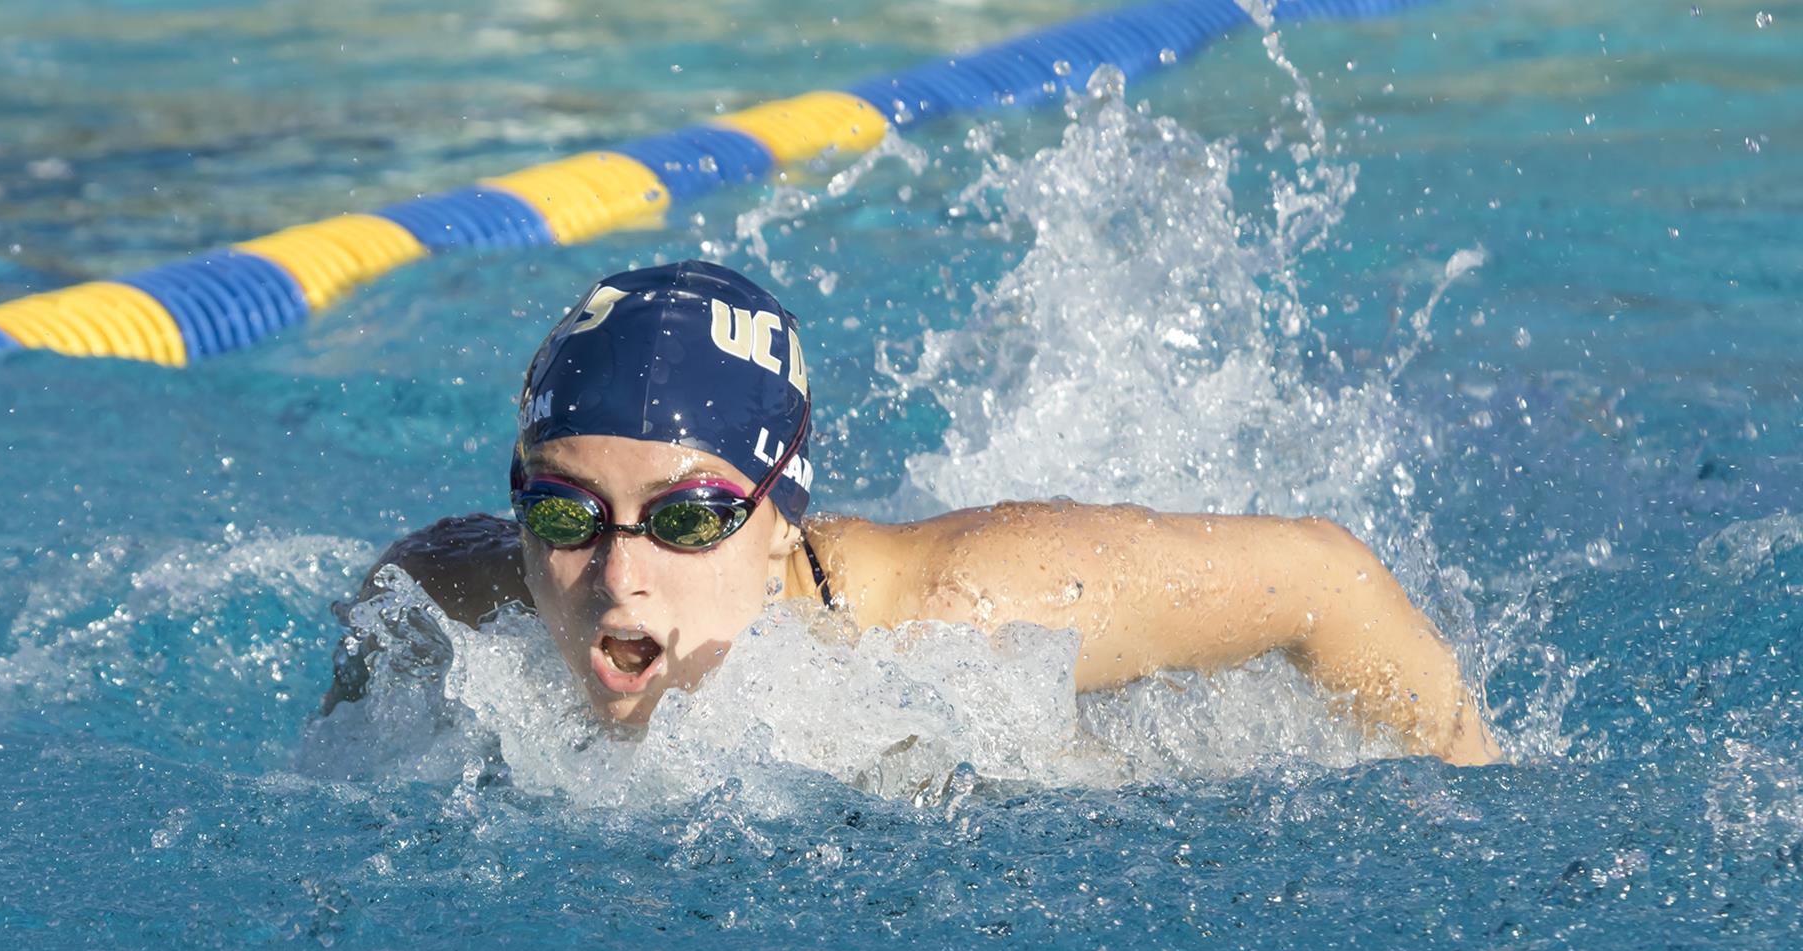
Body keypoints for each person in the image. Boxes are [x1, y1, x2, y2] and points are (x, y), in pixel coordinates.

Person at [326, 260, 1498, 766]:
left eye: (686, 519)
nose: (619, 576)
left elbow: (1324, 578)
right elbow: (394, 589)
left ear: (781, 514)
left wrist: (1468, 799)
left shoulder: (958, 610)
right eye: (570, 514)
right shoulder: (453, 593)